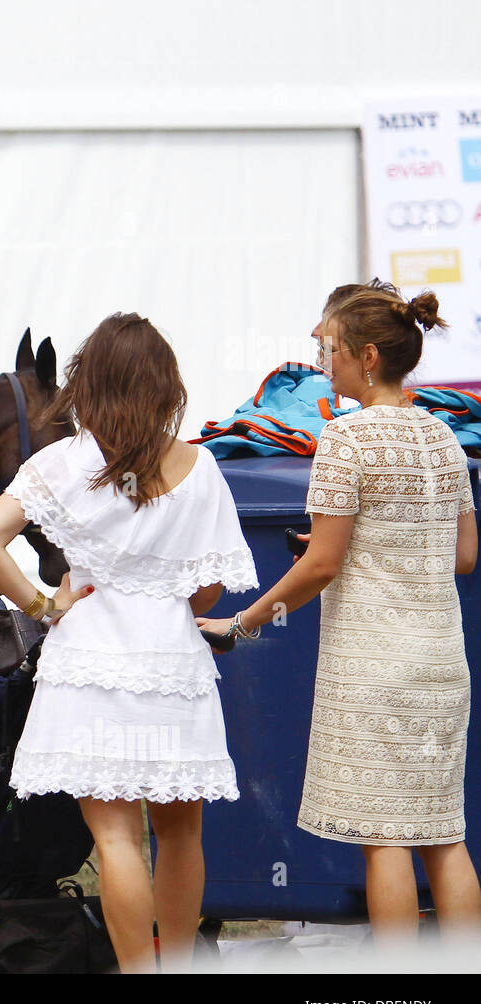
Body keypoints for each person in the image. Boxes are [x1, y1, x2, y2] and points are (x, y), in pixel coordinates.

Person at [0, 313, 258, 973]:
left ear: (87, 382)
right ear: (164, 383)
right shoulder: (200, 464)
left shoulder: (59, 463)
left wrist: (46, 603)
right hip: (174, 665)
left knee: (118, 840)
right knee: (180, 838)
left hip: (88, 659)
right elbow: (209, 593)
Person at [199, 286, 481, 945]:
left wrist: (243, 623)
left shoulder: (345, 439)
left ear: (368, 355)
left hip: (374, 666)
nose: (322, 361)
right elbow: (464, 554)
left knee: (385, 839)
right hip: (441, 663)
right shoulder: (444, 439)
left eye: (328, 349)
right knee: (443, 835)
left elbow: (321, 565)